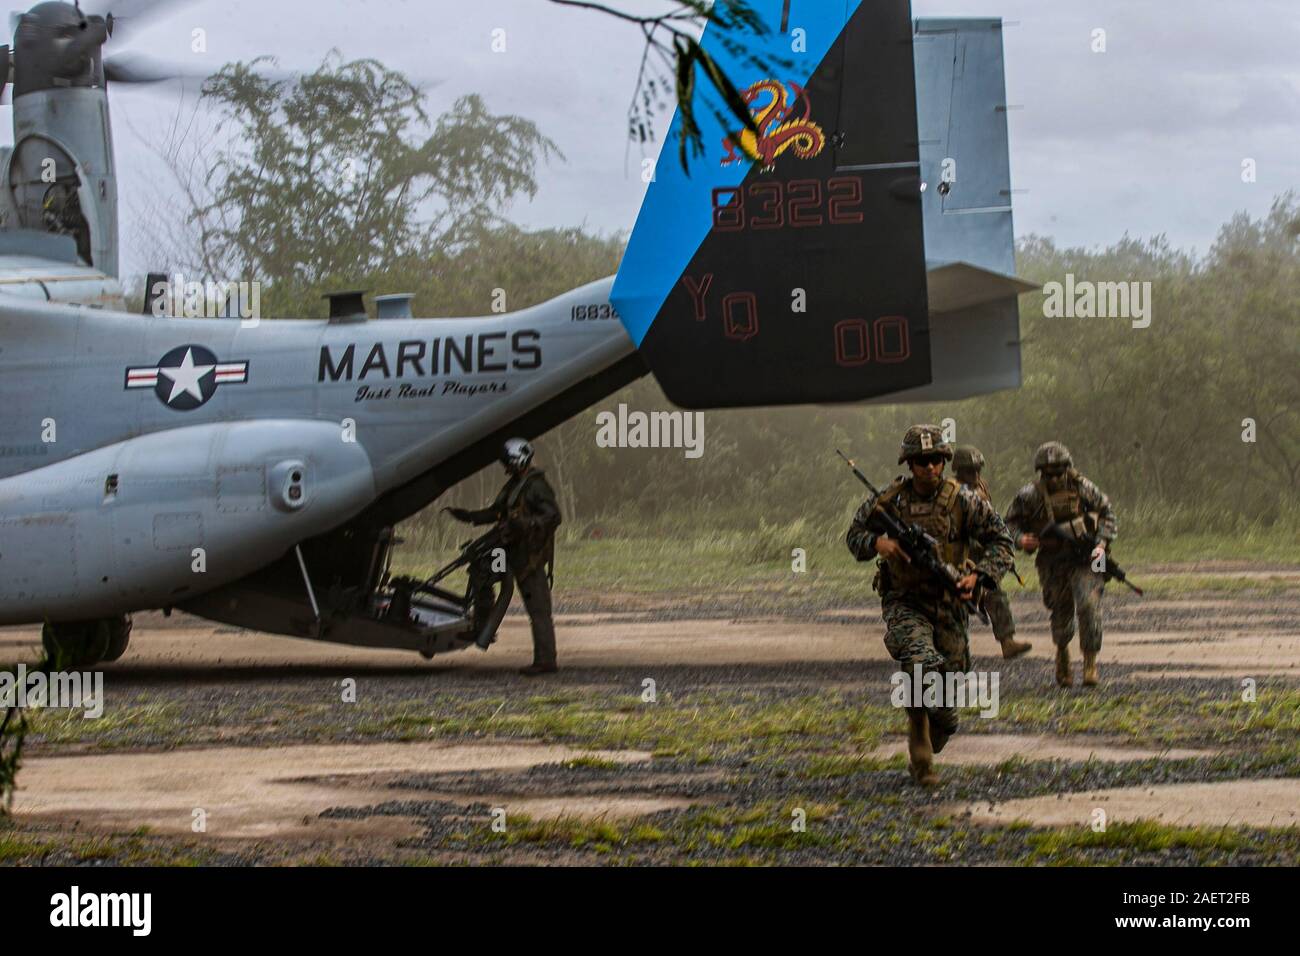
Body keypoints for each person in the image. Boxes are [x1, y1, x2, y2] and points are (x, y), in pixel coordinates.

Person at [846, 425, 1014, 786]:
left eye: (936, 460)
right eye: (921, 461)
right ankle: (918, 740)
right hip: (904, 601)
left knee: (949, 697)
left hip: (949, 602)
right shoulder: (890, 502)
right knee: (920, 662)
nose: (929, 468)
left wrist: (979, 576)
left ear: (944, 461)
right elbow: (854, 536)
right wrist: (879, 544)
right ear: (909, 463)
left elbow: (1002, 540)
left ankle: (936, 724)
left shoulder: (963, 501)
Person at [1004, 442, 1117, 688]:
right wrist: (1021, 539)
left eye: (1059, 472)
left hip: (1086, 559)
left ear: (1068, 468)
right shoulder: (1029, 495)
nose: (1055, 478)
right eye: (1048, 473)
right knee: (1061, 609)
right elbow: (1007, 525)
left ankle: (1090, 662)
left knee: (1089, 606)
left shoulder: (1084, 488)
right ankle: (1062, 652)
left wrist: (1101, 543)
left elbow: (1107, 514)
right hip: (1053, 561)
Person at [446, 438, 562, 676]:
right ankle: (481, 627)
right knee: (481, 570)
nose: (505, 467)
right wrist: (469, 516)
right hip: (509, 551)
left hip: (529, 557)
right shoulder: (514, 486)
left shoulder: (537, 486)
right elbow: (496, 512)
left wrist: (525, 524)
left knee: (538, 609)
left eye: (508, 462)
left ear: (518, 460)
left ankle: (546, 660)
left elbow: (553, 517)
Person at [952, 445, 1032, 660]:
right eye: (969, 471)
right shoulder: (952, 492)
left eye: (977, 470)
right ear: (958, 471)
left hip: (982, 554)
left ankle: (1007, 641)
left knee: (995, 595)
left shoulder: (981, 487)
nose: (975, 475)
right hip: (961, 556)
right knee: (957, 601)